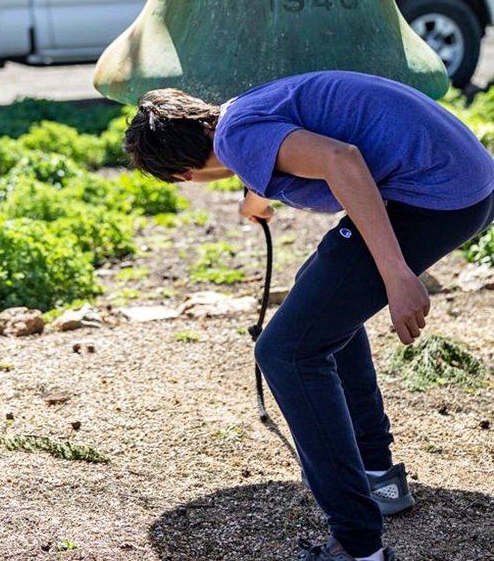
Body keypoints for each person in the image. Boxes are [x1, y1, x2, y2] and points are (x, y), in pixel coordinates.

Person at [123, 69, 494, 561]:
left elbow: (342, 160)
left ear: (181, 175)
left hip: (435, 198)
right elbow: (294, 148)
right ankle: (378, 477)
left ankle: (357, 545)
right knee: (317, 310)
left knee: (286, 351)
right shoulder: (238, 113)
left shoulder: (238, 138)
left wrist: (396, 273)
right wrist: (256, 197)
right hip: (465, 183)